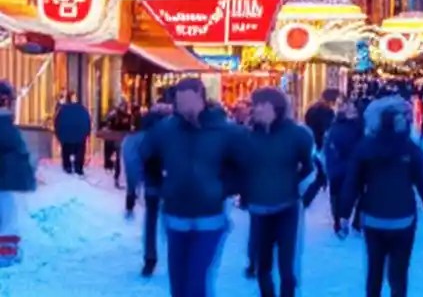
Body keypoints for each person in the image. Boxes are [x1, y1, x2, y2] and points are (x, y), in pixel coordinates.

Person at [140, 78, 246, 297]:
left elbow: (245, 164)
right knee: (178, 284)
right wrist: (160, 185)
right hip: (175, 216)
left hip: (210, 218)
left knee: (196, 282)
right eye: (180, 101)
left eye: (188, 100)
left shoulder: (224, 131)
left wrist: (222, 188)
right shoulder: (166, 129)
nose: (184, 106)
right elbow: (146, 155)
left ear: (201, 98)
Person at [339, 96, 423, 297]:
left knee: (374, 270)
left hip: (373, 218)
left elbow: (352, 184)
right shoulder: (411, 149)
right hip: (403, 218)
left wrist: (344, 214)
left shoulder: (365, 148)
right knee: (399, 274)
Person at [242, 87, 315, 297]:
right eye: (254, 104)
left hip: (286, 208)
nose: (256, 109)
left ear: (276, 107)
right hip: (258, 209)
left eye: (261, 105)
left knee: (286, 266)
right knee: (262, 265)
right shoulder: (248, 136)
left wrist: (296, 186)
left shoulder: (297, 135)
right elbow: (240, 167)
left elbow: (311, 168)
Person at [123, 101, 172, 276]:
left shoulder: (136, 139)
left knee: (151, 219)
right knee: (172, 222)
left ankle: (149, 258)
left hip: (151, 182)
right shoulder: (173, 135)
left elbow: (132, 166)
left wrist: (131, 193)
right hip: (172, 184)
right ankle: (176, 257)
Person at [0, 80, 36, 269]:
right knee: (7, 217)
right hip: (4, 181)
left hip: (6, 180)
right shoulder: (3, 123)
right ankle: (5, 255)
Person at [322, 101, 363, 235]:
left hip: (340, 167)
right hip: (345, 167)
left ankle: (341, 221)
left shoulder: (336, 127)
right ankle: (345, 221)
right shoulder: (357, 127)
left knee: (340, 195)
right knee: (348, 195)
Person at [53, 91, 91, 176]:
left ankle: (67, 166)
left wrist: (59, 135)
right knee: (80, 151)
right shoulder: (82, 109)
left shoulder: (62, 110)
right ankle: (78, 167)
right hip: (79, 137)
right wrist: (86, 134)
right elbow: (87, 122)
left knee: (66, 151)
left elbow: (57, 123)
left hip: (66, 137)